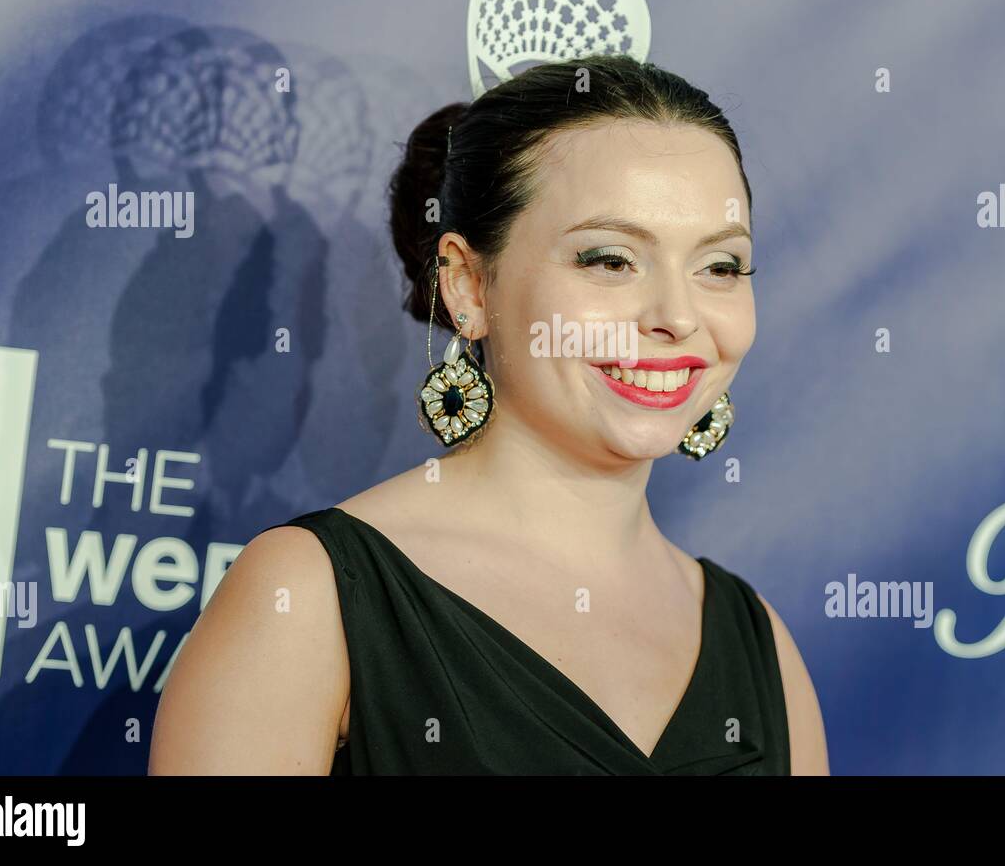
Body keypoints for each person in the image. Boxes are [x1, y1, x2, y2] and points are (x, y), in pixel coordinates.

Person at [148, 54, 829, 775]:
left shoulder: (761, 650)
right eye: (609, 260)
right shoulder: (311, 597)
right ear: (469, 286)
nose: (677, 317)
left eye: (720, 266)